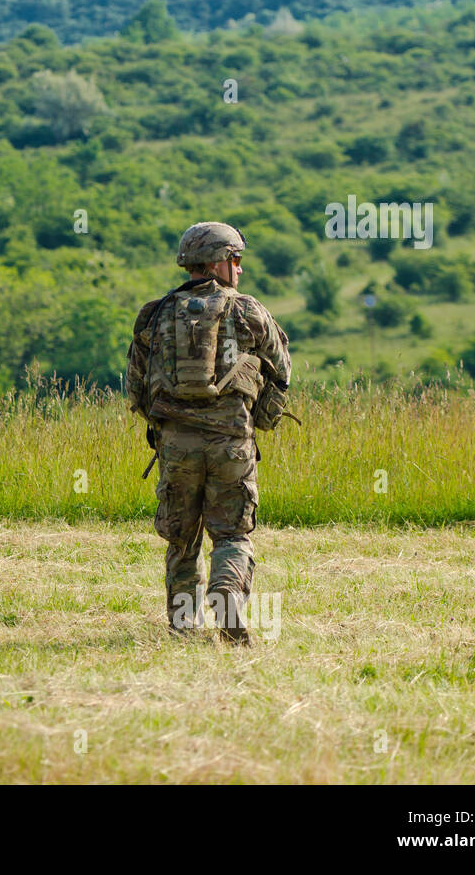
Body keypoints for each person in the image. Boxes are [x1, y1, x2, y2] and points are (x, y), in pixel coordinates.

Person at [126, 223, 293, 644]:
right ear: (217, 263)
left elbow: (136, 385)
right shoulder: (249, 311)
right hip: (231, 445)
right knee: (233, 533)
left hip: (176, 446)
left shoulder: (156, 313)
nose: (240, 268)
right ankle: (227, 593)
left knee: (182, 538)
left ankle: (183, 627)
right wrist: (261, 421)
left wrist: (164, 429)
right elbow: (282, 374)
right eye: (235, 259)